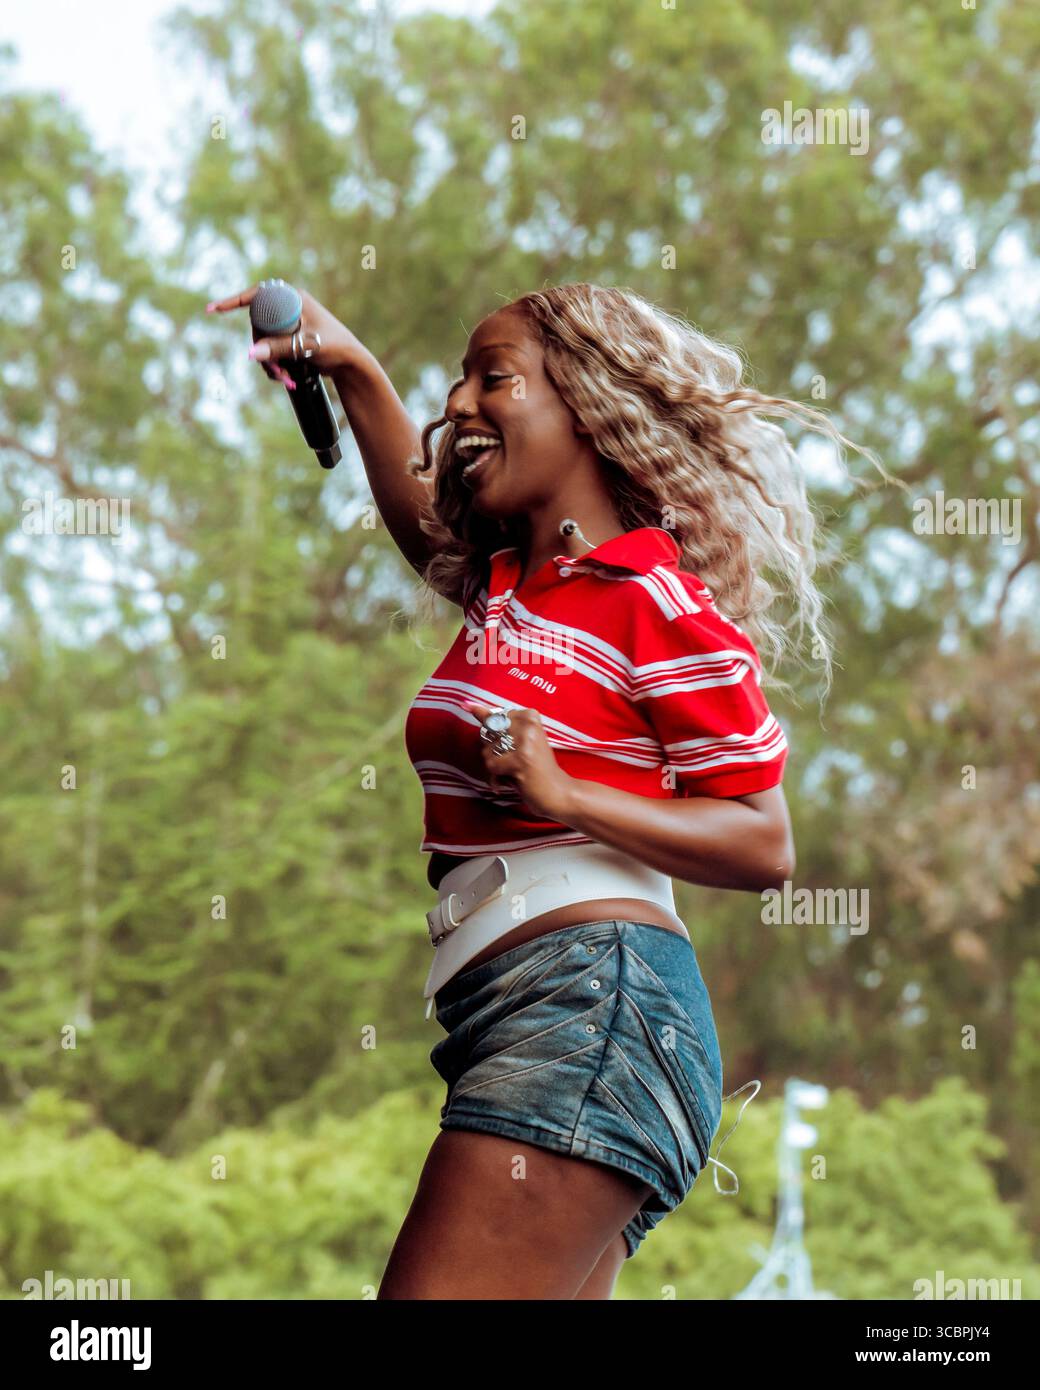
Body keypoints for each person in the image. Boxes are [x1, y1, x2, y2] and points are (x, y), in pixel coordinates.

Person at [206, 281, 886, 1299]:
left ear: (584, 406)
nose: (463, 405)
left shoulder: (648, 598)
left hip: (592, 1006)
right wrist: (354, 369)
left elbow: (761, 842)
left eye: (496, 378)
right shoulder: (510, 591)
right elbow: (417, 517)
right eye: (456, 384)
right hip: (521, 1009)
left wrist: (564, 794)